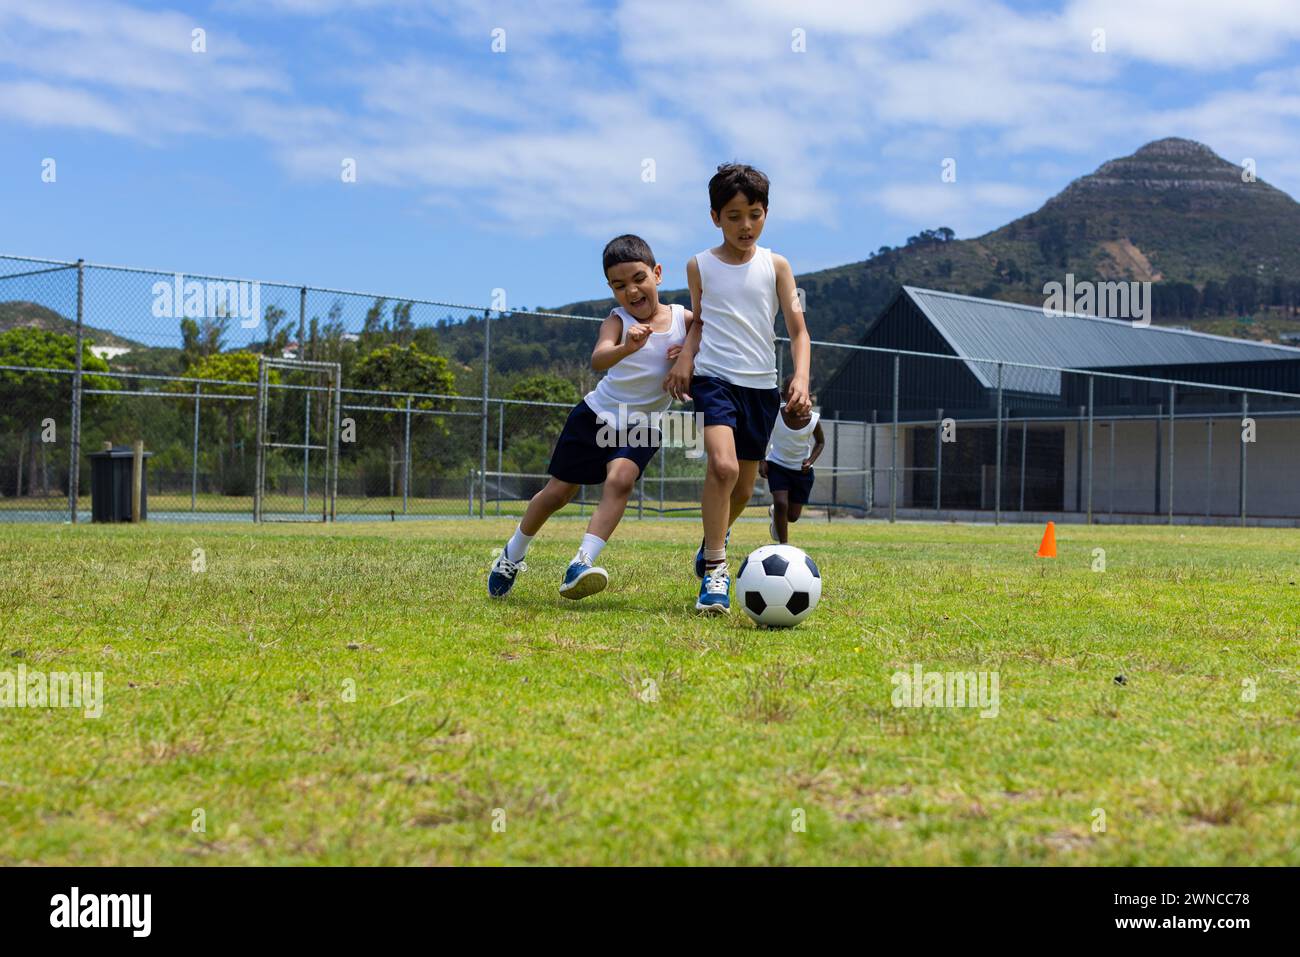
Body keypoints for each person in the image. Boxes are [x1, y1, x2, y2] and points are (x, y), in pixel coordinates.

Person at [488, 234, 690, 599]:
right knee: (558, 493)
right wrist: (627, 347)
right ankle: (512, 554)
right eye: (619, 285)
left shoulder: (683, 319)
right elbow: (598, 359)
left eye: (638, 278)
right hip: (596, 416)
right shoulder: (617, 320)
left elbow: (707, 339)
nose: (631, 291)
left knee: (621, 479)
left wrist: (690, 354)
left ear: (658, 274)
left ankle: (581, 562)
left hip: (643, 423)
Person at [664, 163, 812, 614]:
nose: (745, 225)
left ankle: (716, 535)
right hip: (714, 381)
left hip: (760, 388)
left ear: (765, 213)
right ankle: (715, 571)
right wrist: (687, 358)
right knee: (723, 468)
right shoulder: (700, 265)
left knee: (746, 488)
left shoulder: (777, 266)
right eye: (733, 216)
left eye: (754, 213)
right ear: (715, 217)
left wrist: (800, 377)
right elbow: (700, 321)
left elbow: (799, 331)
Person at [761, 375, 825, 543]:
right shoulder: (775, 414)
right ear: (783, 396)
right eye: (791, 391)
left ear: (808, 395)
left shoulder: (812, 419)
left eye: (801, 391)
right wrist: (762, 459)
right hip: (777, 465)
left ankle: (776, 515)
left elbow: (821, 442)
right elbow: (763, 435)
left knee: (792, 516)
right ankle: (784, 545)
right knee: (782, 503)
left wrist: (810, 460)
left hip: (801, 471)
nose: (797, 395)